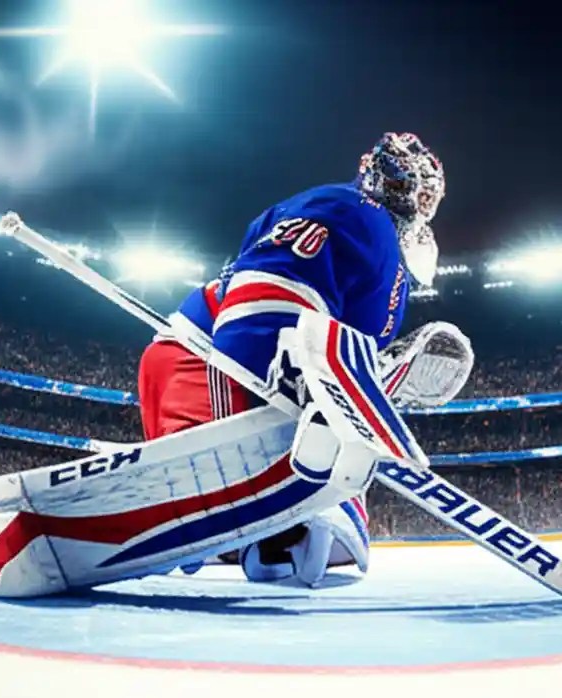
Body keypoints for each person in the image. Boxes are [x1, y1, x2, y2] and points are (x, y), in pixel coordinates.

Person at [135, 132, 446, 585]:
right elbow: (262, 319)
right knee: (337, 520)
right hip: (212, 366)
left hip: (175, 352)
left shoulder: (302, 206)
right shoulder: (376, 233)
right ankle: (271, 525)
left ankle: (248, 533)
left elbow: (251, 283)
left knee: (270, 542)